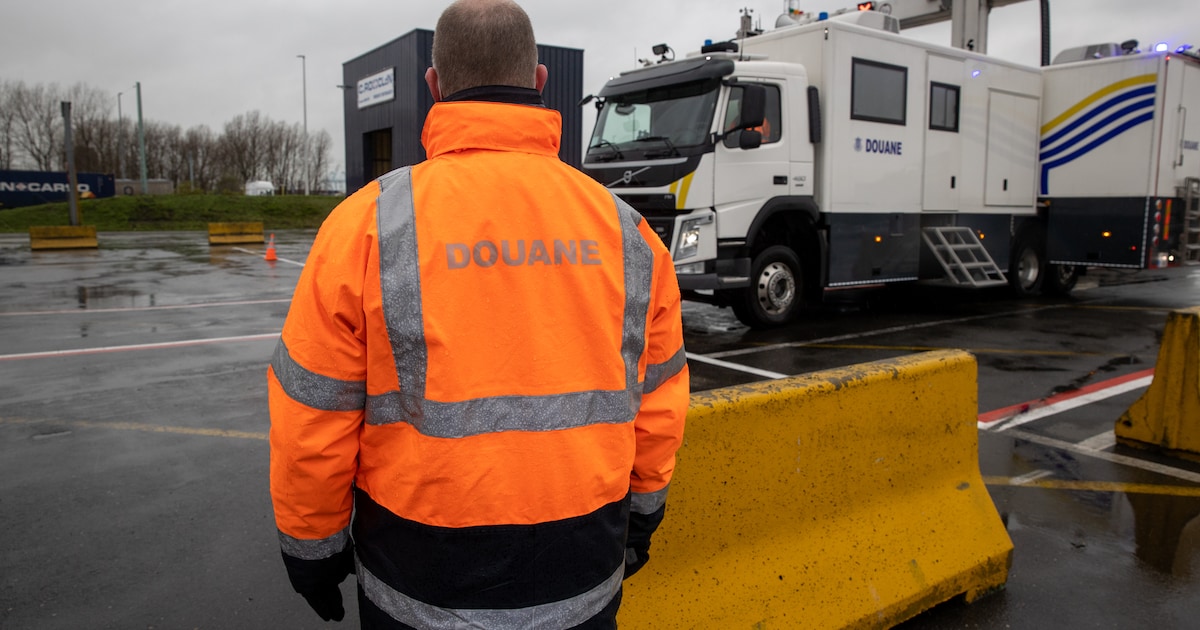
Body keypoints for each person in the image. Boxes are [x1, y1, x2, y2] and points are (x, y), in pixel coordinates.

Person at [266, 1, 690, 627]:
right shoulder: (628, 233)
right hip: (581, 568)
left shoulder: (364, 226)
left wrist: (312, 550)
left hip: (420, 581)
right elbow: (658, 398)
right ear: (540, 82)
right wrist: (645, 515)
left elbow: (313, 414)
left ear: (435, 86)